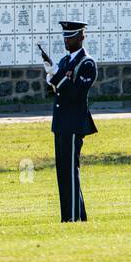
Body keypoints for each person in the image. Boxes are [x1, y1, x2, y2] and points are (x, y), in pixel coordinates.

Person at [44, 21, 97, 222]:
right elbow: (56, 92)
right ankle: (70, 216)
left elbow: (76, 94)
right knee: (62, 171)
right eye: (65, 36)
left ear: (82, 37)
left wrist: (57, 76)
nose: (67, 40)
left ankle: (74, 216)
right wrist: (50, 78)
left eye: (71, 36)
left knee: (70, 170)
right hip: (60, 122)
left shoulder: (86, 63)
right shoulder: (65, 61)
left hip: (74, 122)